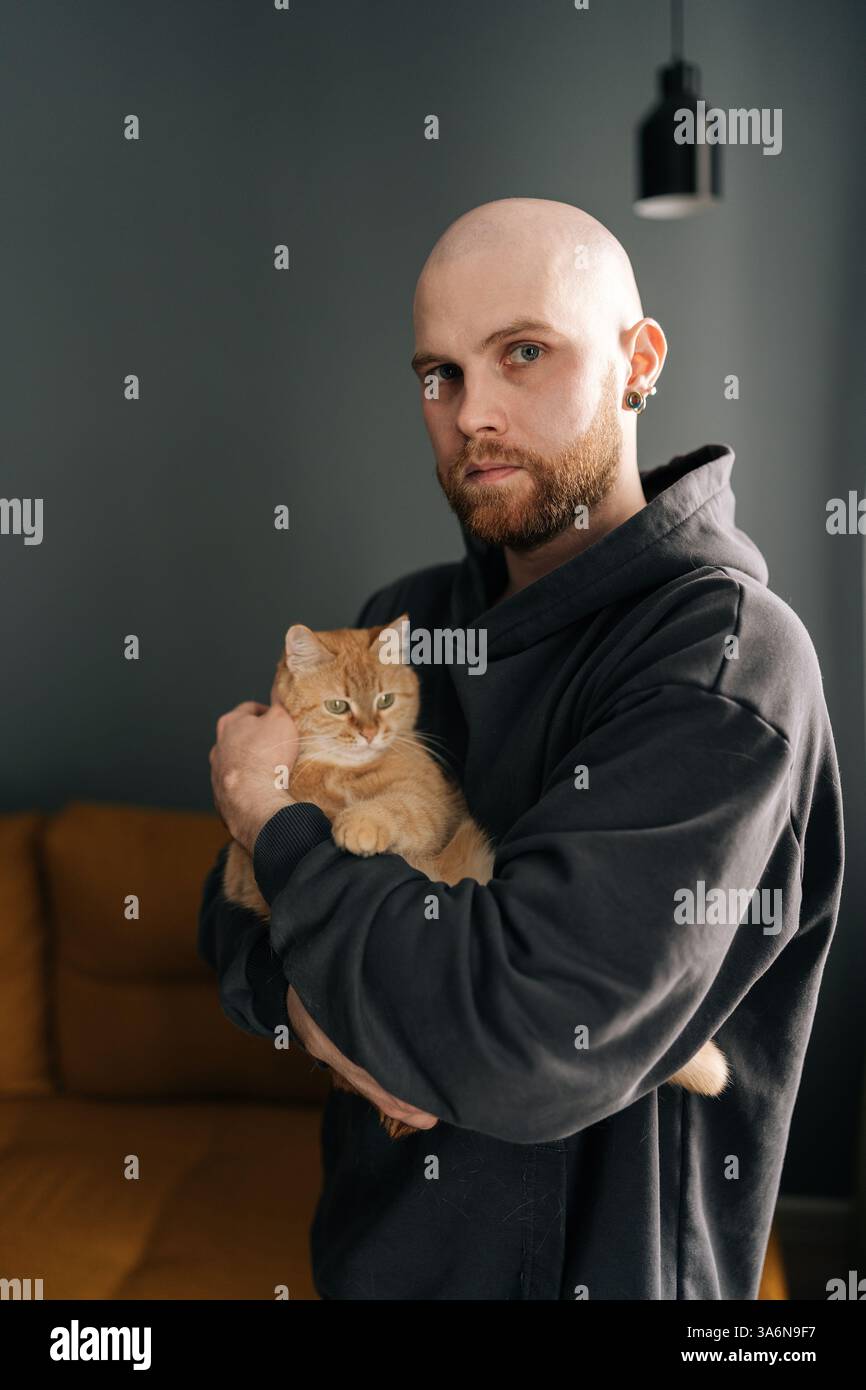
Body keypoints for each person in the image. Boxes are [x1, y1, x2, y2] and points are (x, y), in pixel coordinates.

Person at [199, 198, 844, 1300]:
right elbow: (225, 920)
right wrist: (312, 1012)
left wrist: (271, 822)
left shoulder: (726, 657)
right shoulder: (401, 621)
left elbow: (524, 1035)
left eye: (524, 352)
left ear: (637, 361)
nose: (471, 413)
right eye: (438, 373)